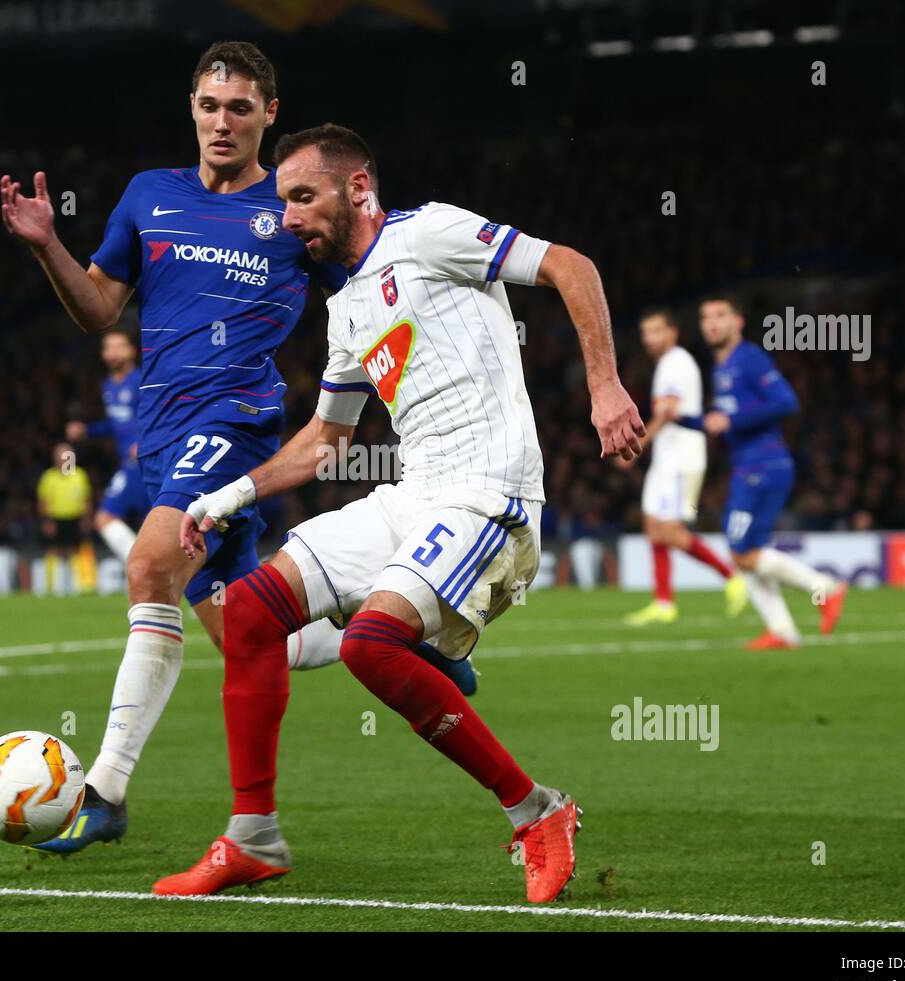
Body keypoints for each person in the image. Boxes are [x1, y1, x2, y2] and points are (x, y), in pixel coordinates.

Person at [1, 42, 472, 857]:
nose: (224, 122)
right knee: (250, 632)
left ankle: (106, 789)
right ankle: (410, 640)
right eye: (211, 106)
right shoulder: (150, 195)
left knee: (149, 564)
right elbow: (98, 309)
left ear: (269, 115)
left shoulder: (292, 213)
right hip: (161, 430)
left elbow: (370, 277)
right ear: (191, 107)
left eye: (241, 108)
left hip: (236, 419)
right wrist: (48, 245)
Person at [154, 123, 644, 903]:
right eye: (282, 202)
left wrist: (605, 385)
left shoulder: (433, 232)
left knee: (370, 646)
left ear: (357, 189)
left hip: (490, 491)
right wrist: (228, 495)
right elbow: (326, 440)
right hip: (414, 495)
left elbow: (569, 266)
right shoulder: (347, 305)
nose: (287, 217)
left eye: (303, 197)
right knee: (247, 613)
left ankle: (537, 809)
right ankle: (253, 835)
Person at [698, 295, 848, 649]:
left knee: (741, 553)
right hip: (749, 466)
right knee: (749, 553)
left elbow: (786, 401)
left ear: (738, 322)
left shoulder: (749, 358)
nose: (712, 323)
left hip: (763, 466)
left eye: (720, 315)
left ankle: (826, 588)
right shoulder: (721, 368)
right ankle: (782, 631)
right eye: (706, 317)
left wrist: (731, 420)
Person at [619, 307, 745, 625]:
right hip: (668, 458)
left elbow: (668, 411)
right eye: (646, 332)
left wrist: (638, 446)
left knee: (670, 531)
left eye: (656, 331)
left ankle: (733, 576)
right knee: (653, 528)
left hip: (681, 459)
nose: (650, 338)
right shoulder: (668, 364)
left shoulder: (676, 363)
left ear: (672, 332)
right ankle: (663, 603)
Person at [66, 328, 143, 563]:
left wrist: (145, 442)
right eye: (108, 347)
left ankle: (141, 566)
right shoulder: (109, 385)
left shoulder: (141, 381)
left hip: (142, 461)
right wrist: (87, 430)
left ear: (132, 351)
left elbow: (159, 415)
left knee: (105, 517)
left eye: (119, 346)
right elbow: (117, 423)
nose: (112, 352)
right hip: (129, 462)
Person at [36, 443, 94, 594]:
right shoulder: (49, 477)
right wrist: (46, 521)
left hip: (75, 517)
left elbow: (86, 499)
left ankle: (81, 586)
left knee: (77, 551)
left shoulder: (80, 475)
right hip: (55, 519)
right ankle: (50, 587)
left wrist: (86, 518)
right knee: (53, 551)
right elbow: (43, 502)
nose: (64, 459)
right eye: (60, 455)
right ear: (54, 458)